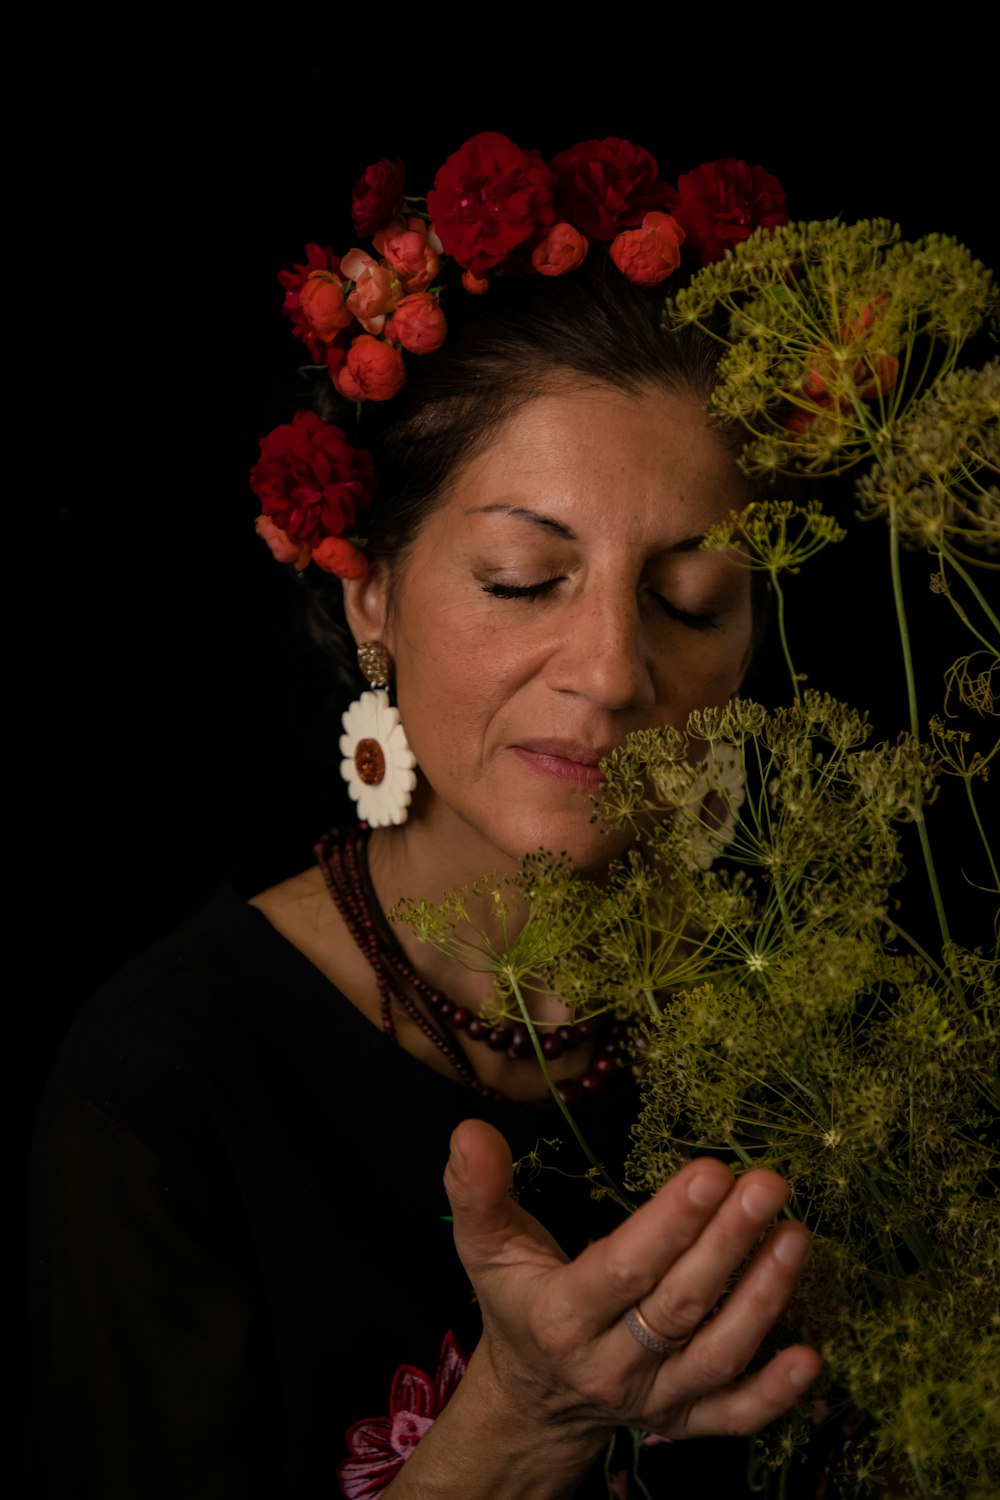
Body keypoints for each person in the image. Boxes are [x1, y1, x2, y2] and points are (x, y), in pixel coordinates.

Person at [26, 135, 822, 1499]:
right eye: (523, 579)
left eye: (689, 597)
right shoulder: (168, 1088)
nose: (617, 670)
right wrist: (515, 1427)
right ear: (370, 595)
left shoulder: (835, 1015)